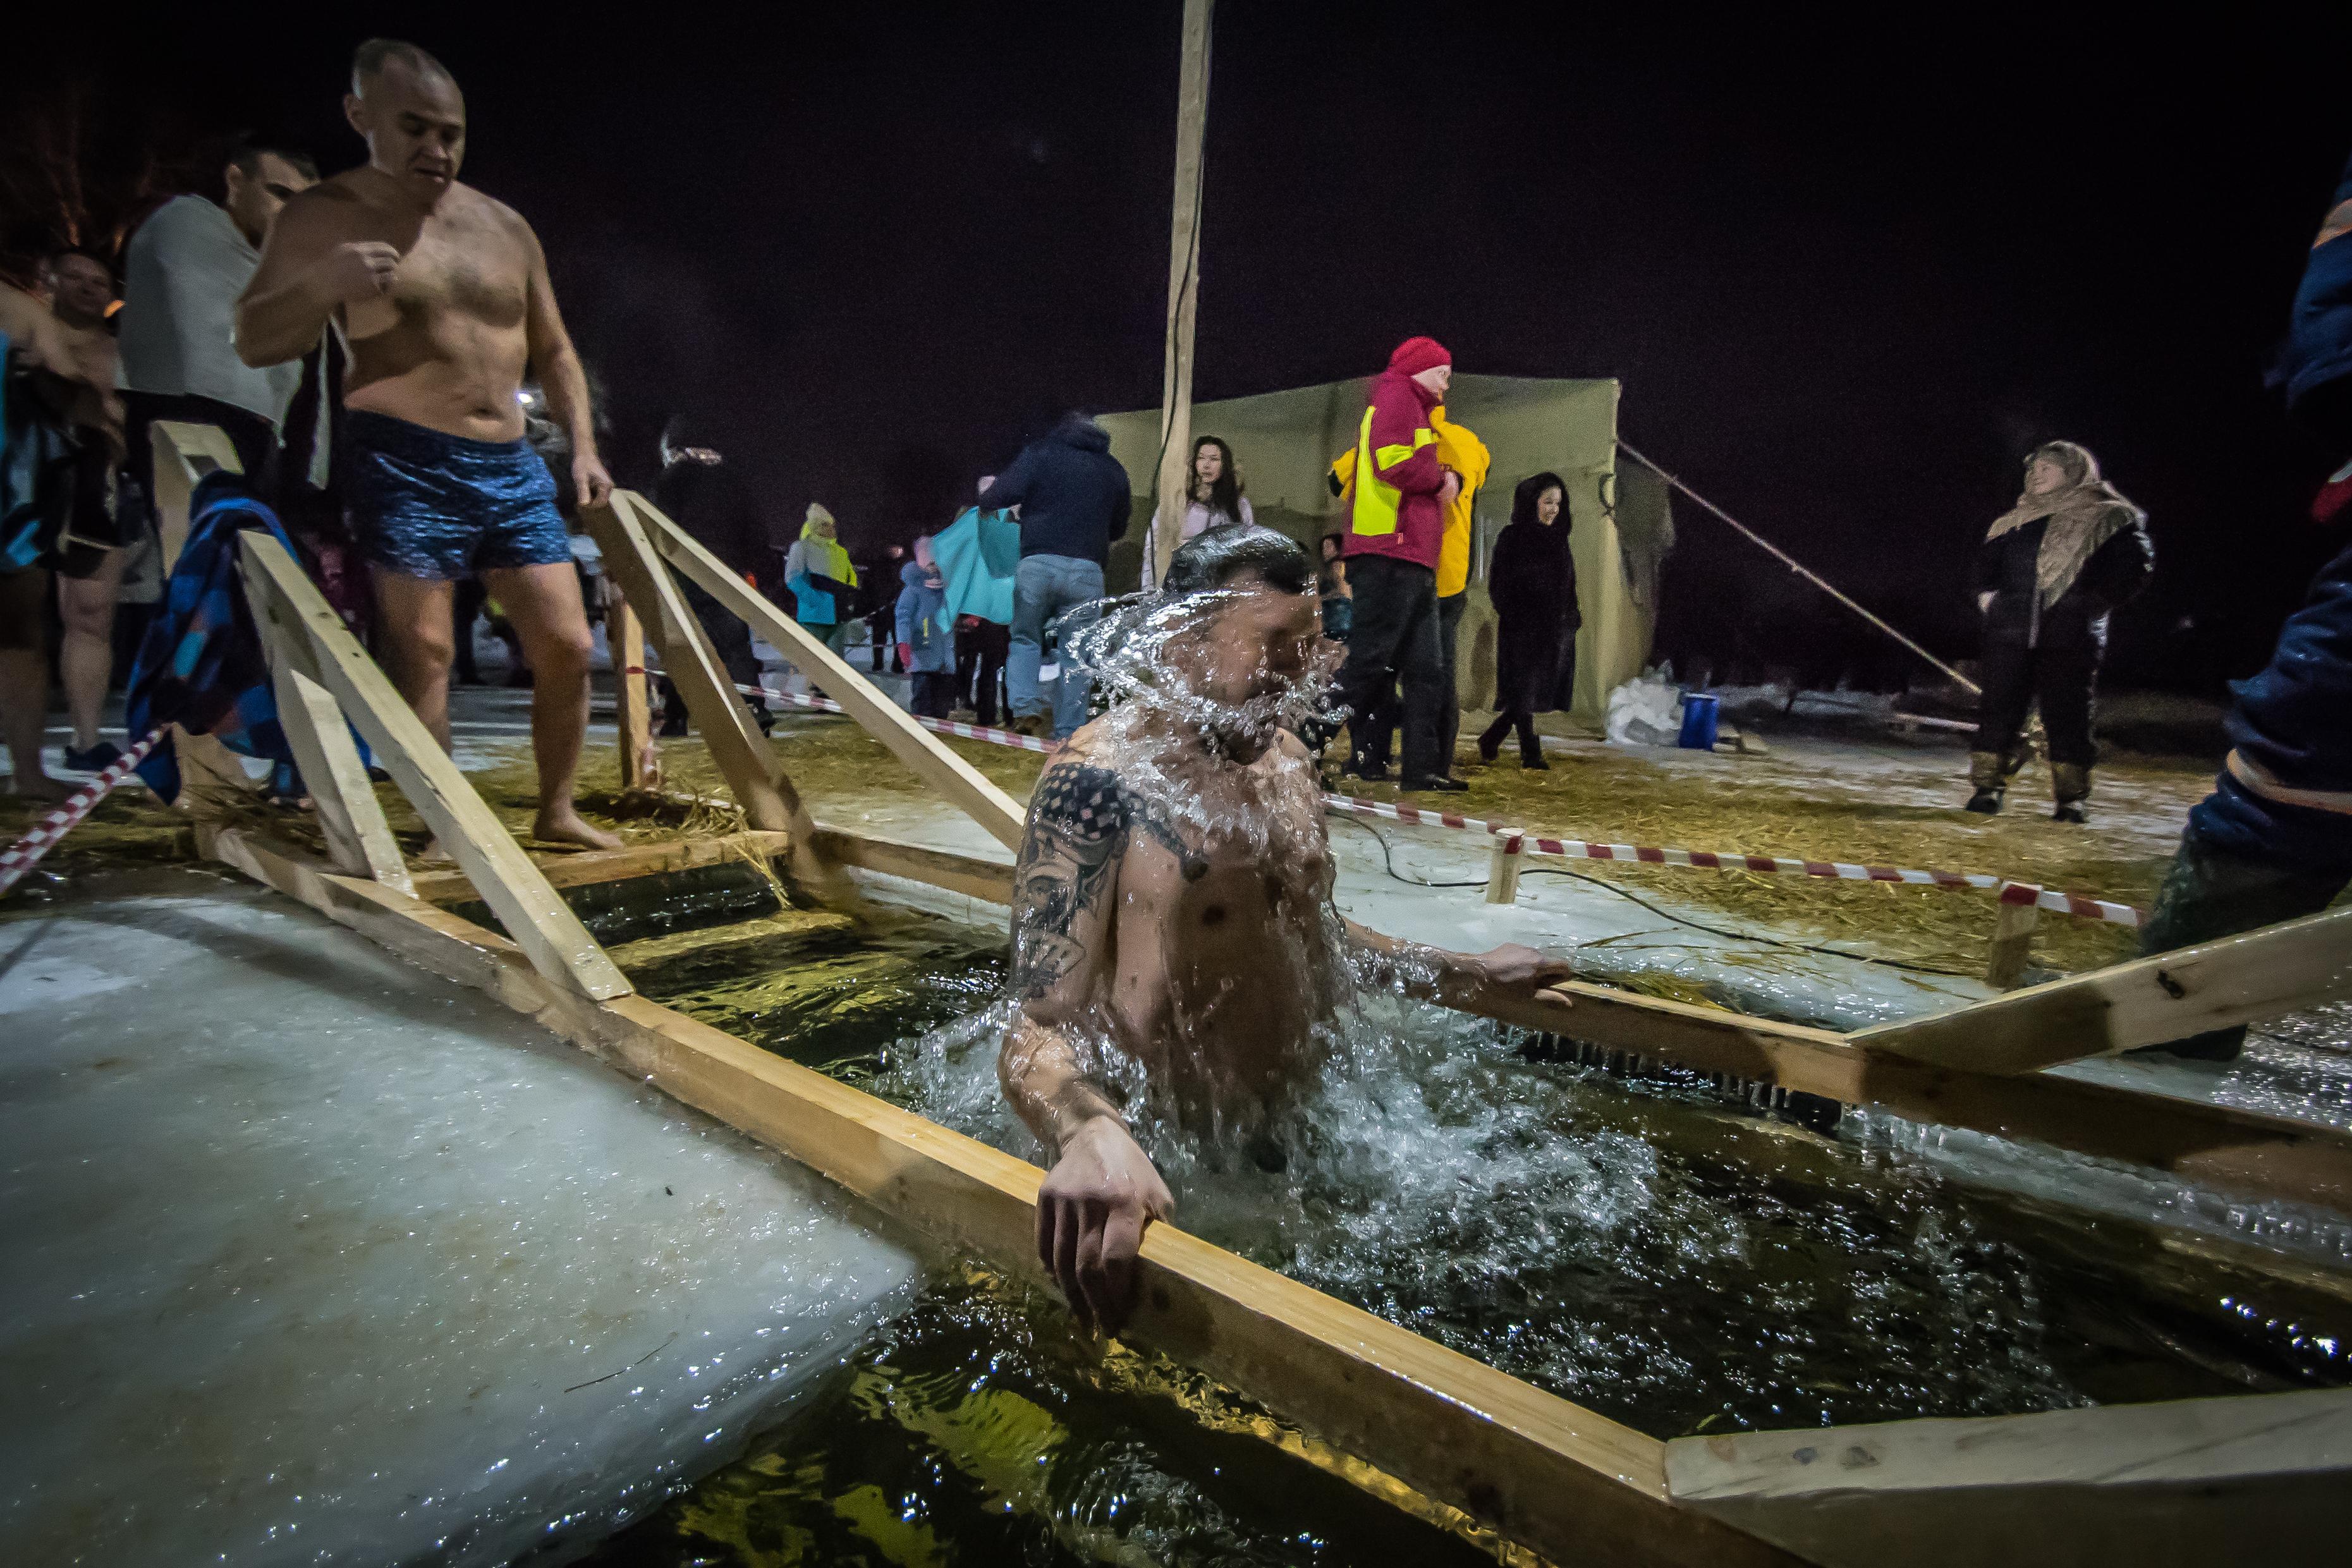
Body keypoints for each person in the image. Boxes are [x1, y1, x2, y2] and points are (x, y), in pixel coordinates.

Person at [997, 525, 1573, 1330]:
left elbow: (1311, 935)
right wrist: (1087, 1133)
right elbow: (1033, 1025)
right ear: (1183, 646)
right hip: (1175, 1167)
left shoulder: (1288, 763)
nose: (1305, 671)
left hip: (1305, 1136)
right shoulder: (1096, 784)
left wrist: (1467, 973)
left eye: (1313, 642)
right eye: (1275, 645)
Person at [235, 38, 618, 850]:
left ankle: (555, 812)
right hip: (401, 454)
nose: (435, 149)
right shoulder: (323, 215)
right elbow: (253, 338)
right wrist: (321, 284)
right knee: (426, 651)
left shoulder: (504, 226)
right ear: (359, 115)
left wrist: (582, 447)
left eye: (451, 132)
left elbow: (553, 350)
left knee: (568, 643)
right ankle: (445, 828)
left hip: (511, 463)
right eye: (413, 128)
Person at [2135, 143, 2352, 1062]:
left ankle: (2164, 1034)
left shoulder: (2104, 517)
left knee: (2316, 724)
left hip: (2071, 641)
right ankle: (2165, 1043)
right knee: (2316, 721)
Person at [119, 139, 320, 502]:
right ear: (235, 180)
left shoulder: (274, 267)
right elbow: (211, 332)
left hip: (255, 433)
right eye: (279, 193)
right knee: (196, 542)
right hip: (188, 414)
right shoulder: (187, 222)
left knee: (216, 546)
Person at [1963, 441, 2154, 822]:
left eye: (2047, 468)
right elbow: (1984, 569)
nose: (2036, 475)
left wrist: (2088, 605)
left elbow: (2135, 567)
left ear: (2075, 473)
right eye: (2032, 469)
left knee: (2067, 713)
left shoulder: (2109, 516)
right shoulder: (2012, 521)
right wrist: (1988, 599)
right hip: (2009, 632)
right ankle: (1987, 788)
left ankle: (2071, 799)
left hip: (2070, 634)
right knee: (1999, 708)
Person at [1, 278, 119, 799]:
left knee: (20, 632)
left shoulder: (16, 308)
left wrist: (43, 378)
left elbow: (80, 399)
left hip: (9, 489)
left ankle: (29, 773)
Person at [1333, 336, 1464, 791]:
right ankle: (1299, 743)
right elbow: (1392, 463)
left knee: (1427, 669)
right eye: (1442, 371)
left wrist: (1447, 475)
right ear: (1420, 369)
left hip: (1413, 557)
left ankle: (1420, 767)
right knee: (1368, 662)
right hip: (1389, 552)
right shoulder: (1396, 396)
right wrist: (1441, 479)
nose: (1448, 381)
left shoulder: (1416, 408)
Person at [31, 250, 130, 775]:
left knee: (90, 615)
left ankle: (87, 739)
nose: (90, 288)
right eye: (77, 277)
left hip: (93, 486)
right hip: (19, 482)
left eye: (100, 281)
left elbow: (126, 429)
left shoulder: (125, 354)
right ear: (48, 279)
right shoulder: (22, 336)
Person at [983, 411, 1132, 739]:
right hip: (1087, 572)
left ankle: (1025, 708)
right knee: (1076, 654)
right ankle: (1068, 733)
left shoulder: (1041, 454)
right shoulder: (1114, 469)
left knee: (1025, 639)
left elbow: (997, 497)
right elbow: (1119, 527)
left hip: (1038, 563)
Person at [1479, 472, 1580, 769]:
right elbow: (1499, 584)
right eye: (1547, 502)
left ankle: (1493, 738)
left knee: (1534, 691)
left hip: (1554, 629)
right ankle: (1529, 752)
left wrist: (1569, 619)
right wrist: (1515, 612)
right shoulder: (1512, 538)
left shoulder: (1559, 540)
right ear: (1530, 503)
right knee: (1523, 689)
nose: (1553, 509)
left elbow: (1568, 584)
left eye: (1558, 503)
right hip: (1522, 628)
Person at [1139, 434, 1252, 591]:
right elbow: (1153, 544)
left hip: (1219, 588)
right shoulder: (1179, 501)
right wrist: (1149, 588)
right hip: (1177, 585)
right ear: (1194, 463)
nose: (1207, 465)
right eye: (1201, 458)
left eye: (1214, 459)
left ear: (1224, 464)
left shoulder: (1239, 505)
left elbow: (1247, 550)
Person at [783, 503, 858, 657]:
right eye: (825, 525)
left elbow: (851, 579)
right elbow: (793, 579)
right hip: (813, 618)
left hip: (839, 617)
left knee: (837, 668)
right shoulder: (801, 547)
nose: (831, 528)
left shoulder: (841, 552)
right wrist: (817, 601)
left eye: (832, 525)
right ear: (815, 526)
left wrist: (849, 600)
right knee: (814, 666)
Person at [896, 534, 954, 719]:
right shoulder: (913, 590)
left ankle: (940, 735)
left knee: (942, 704)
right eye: (930, 562)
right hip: (923, 654)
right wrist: (904, 643)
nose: (934, 567)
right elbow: (903, 617)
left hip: (944, 657)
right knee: (922, 701)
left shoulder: (947, 589)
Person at [1316, 533, 1351, 641]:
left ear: (1338, 547)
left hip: (1339, 618)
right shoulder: (1333, 567)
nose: (1325, 550)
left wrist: (1319, 599)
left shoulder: (1338, 565)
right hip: (1337, 619)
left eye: (1329, 546)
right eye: (1324, 547)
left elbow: (1344, 592)